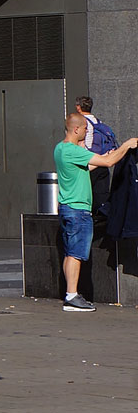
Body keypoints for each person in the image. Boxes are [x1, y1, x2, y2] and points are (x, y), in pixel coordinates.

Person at [54, 111, 137, 311]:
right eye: (84, 128)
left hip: (67, 208)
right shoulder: (74, 151)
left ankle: (69, 292)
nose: (86, 131)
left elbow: (84, 168)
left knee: (69, 253)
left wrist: (103, 158)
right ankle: (72, 297)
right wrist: (126, 145)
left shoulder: (60, 149)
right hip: (78, 209)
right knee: (76, 254)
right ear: (76, 129)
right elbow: (108, 163)